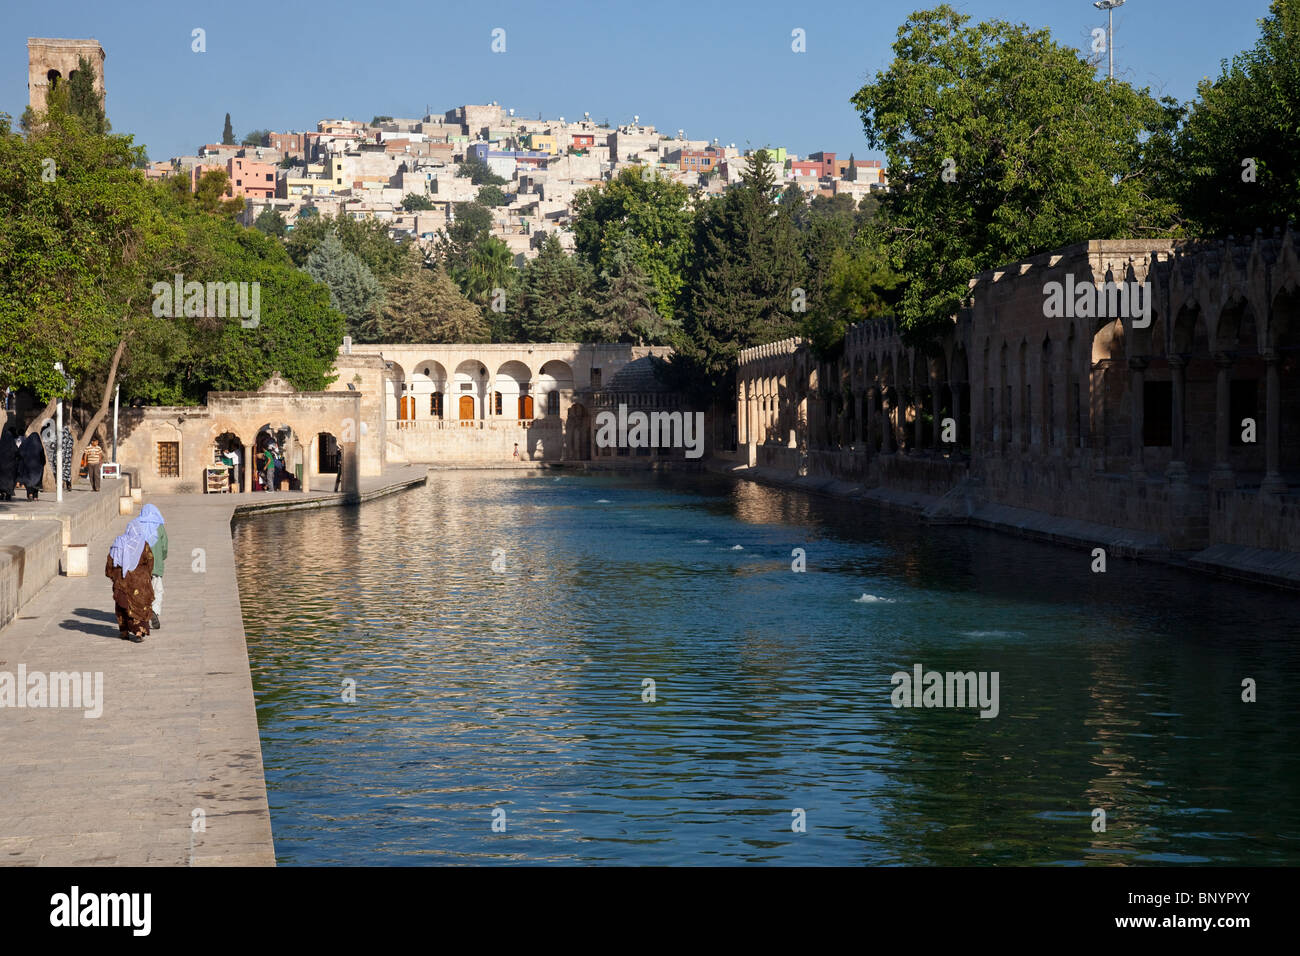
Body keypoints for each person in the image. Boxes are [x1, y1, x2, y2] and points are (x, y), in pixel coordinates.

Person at [105, 523, 153, 643]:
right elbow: (150, 561)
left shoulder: (119, 543)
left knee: (123, 605)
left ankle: (124, 631)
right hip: (140, 582)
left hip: (122, 580)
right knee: (140, 606)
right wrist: (147, 576)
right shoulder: (143, 544)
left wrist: (113, 576)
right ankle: (138, 631)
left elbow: (110, 562)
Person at [128, 504, 167, 630]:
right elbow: (164, 546)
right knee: (157, 590)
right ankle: (154, 610)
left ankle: (142, 614)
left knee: (141, 590)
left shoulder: (135, 525)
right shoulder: (159, 527)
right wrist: (161, 557)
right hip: (155, 566)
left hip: (139, 566)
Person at [16, 431, 46, 500]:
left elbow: (20, 452)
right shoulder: (39, 445)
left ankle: (30, 494)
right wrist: (43, 463)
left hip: (28, 467)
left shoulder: (26, 444)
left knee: (29, 481)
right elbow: (42, 456)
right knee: (37, 481)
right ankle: (35, 496)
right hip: (37, 468)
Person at [0, 426, 18, 501]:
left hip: (1, 465)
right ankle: (8, 494)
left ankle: (1, 493)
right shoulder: (11, 442)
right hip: (11, 465)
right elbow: (16, 450)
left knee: (1, 479)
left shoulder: (1, 443)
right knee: (10, 479)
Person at [60, 425, 74, 491]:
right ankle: (68, 485)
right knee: (67, 471)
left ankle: (64, 484)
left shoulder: (62, 437)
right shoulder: (70, 437)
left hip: (63, 456)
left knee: (62, 470)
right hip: (67, 456)